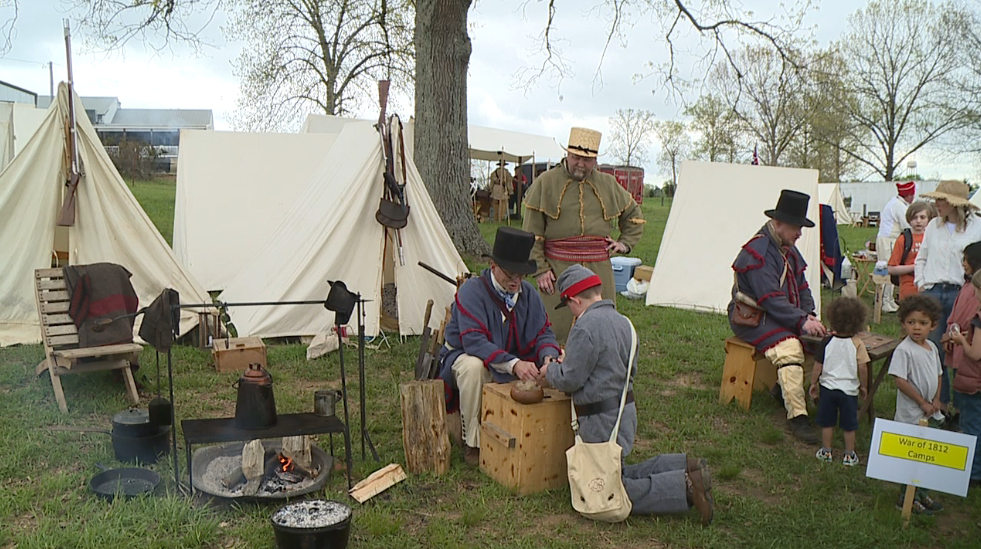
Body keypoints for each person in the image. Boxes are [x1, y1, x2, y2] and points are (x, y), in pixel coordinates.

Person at [540, 265, 713, 525]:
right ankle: (683, 466)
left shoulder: (585, 328)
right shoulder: (625, 323)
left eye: (570, 306)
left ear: (575, 299)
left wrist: (550, 369)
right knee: (615, 469)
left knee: (603, 490)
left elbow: (570, 379)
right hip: (624, 409)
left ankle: (683, 486)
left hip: (599, 417)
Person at [437, 227, 561, 465]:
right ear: (493, 266)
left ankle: (527, 435)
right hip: (464, 356)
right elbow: (474, 342)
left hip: (509, 358)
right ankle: (473, 442)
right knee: (475, 368)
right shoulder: (472, 291)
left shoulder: (529, 295)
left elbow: (543, 332)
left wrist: (548, 357)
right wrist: (514, 365)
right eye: (510, 274)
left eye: (521, 275)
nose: (516, 281)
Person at [523, 127, 644, 343]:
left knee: (601, 326)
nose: (580, 164)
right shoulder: (546, 182)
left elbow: (633, 215)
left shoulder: (607, 184)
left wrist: (625, 243)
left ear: (595, 160)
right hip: (558, 269)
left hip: (598, 270)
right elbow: (532, 232)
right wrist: (540, 269)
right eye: (576, 157)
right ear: (567, 154)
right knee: (556, 328)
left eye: (587, 160)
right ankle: (554, 371)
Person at [728, 189, 827, 445]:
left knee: (815, 343)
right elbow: (769, 298)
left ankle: (781, 389)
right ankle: (797, 417)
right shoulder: (758, 251)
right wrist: (801, 321)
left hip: (777, 314)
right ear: (778, 223)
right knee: (791, 347)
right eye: (796, 227)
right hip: (752, 318)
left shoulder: (788, 249)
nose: (799, 233)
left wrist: (810, 317)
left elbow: (802, 289)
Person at [915, 180, 981, 411]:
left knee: (962, 348)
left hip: (963, 292)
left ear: (955, 203)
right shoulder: (933, 225)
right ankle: (940, 403)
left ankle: (963, 406)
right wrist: (921, 284)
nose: (936, 204)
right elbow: (921, 257)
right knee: (934, 347)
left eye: (941, 200)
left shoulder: (977, 226)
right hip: (933, 291)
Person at [889, 295, 945, 514]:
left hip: (931, 413)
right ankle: (907, 498)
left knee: (927, 458)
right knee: (912, 459)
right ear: (903, 323)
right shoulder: (904, 350)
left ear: (933, 325)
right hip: (911, 416)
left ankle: (922, 494)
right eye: (911, 322)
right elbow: (900, 380)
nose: (917, 328)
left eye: (923, 323)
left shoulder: (932, 347)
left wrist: (936, 399)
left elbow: (939, 375)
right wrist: (921, 401)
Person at [809, 297, 870, 466]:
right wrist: (864, 386)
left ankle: (826, 451)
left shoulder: (827, 342)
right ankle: (849, 454)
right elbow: (863, 368)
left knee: (827, 422)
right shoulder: (857, 343)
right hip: (849, 391)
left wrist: (813, 383)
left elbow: (817, 366)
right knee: (849, 424)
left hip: (827, 388)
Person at [945, 269, 981, 487]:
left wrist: (961, 340)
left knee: (972, 426)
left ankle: (973, 473)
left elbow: (975, 353)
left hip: (975, 381)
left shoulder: (978, 321)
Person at [942, 240, 981, 424]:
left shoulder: (977, 290)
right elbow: (957, 311)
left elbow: (970, 317)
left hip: (967, 343)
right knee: (958, 376)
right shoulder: (967, 285)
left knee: (966, 380)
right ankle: (959, 412)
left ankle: (963, 415)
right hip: (959, 338)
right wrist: (951, 328)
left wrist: (959, 335)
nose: (963, 263)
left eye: (966, 259)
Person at [877, 181, 916, 312]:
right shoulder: (899, 206)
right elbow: (908, 225)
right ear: (909, 195)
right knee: (887, 270)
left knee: (885, 268)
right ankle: (884, 301)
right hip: (889, 240)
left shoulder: (895, 203)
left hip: (887, 239)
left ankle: (888, 300)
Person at [886, 201, 937, 301]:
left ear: (929, 219)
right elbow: (891, 268)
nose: (918, 221)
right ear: (909, 219)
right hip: (908, 288)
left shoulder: (933, 237)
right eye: (914, 218)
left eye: (922, 217)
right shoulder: (903, 239)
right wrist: (916, 267)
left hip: (929, 287)